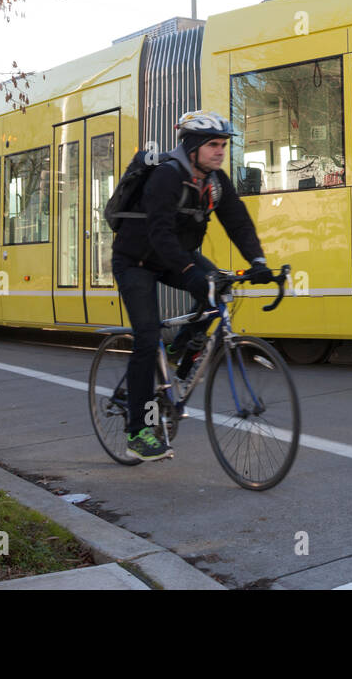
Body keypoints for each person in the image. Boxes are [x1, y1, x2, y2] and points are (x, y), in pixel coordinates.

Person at [111, 110, 274, 461]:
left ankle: (178, 354)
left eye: (223, 145)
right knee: (146, 336)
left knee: (220, 288)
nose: (220, 151)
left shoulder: (216, 181)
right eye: (213, 145)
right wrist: (189, 270)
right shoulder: (167, 176)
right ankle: (138, 432)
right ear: (194, 146)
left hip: (174, 255)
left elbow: (238, 222)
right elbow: (159, 232)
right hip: (136, 260)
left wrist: (258, 262)